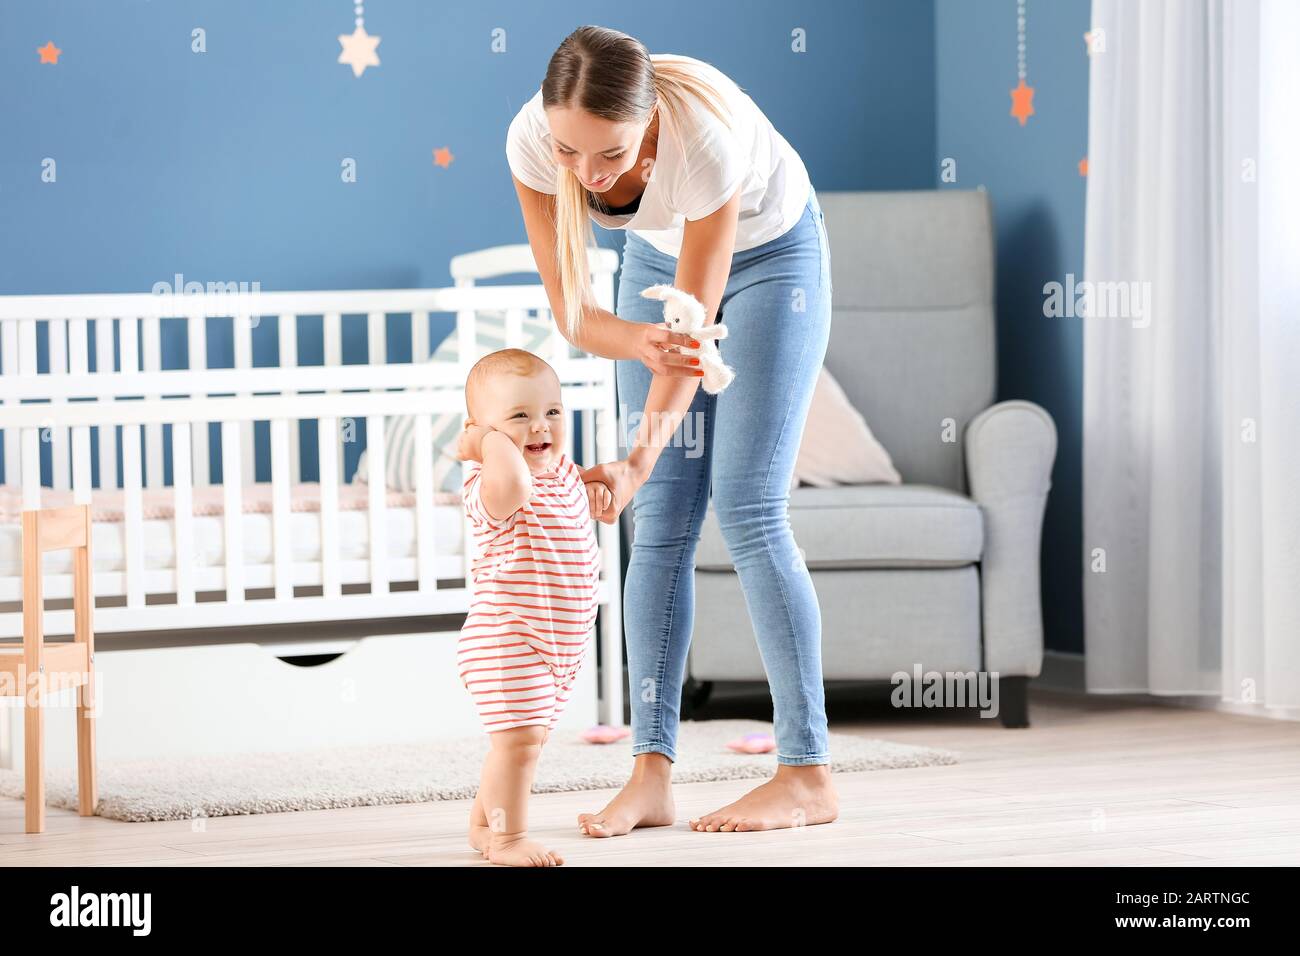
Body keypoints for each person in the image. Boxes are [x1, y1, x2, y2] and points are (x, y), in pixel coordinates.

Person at [506, 26, 837, 836]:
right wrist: (634, 460)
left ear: (647, 123)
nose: (586, 175)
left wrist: (638, 456)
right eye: (569, 151)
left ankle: (807, 774)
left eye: (609, 152)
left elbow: (689, 342)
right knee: (655, 524)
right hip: (657, 259)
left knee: (750, 506)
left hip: (774, 255)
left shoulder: (704, 143)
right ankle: (651, 775)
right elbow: (577, 314)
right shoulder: (531, 142)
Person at [456, 348, 612, 866]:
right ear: (479, 431)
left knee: (524, 744)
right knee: (519, 744)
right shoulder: (487, 484)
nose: (540, 426)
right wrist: (487, 444)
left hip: (558, 647)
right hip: (509, 639)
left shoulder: (561, 471)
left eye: (552, 411)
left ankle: (484, 826)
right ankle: (507, 840)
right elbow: (516, 487)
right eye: (518, 416)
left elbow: (569, 498)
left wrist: (594, 490)